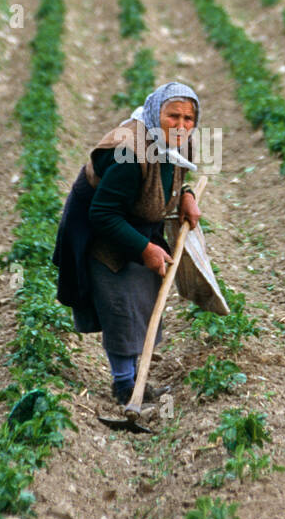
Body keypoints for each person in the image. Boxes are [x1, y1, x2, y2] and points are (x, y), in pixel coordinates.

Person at [52, 82, 203, 406]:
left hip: (136, 222)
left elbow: (174, 177)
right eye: (172, 115)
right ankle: (124, 388)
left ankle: (137, 384)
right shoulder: (129, 154)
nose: (180, 125)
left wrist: (186, 195)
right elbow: (102, 213)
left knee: (141, 302)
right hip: (100, 231)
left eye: (188, 118)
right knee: (120, 305)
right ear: (154, 113)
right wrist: (145, 249)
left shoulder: (176, 143)